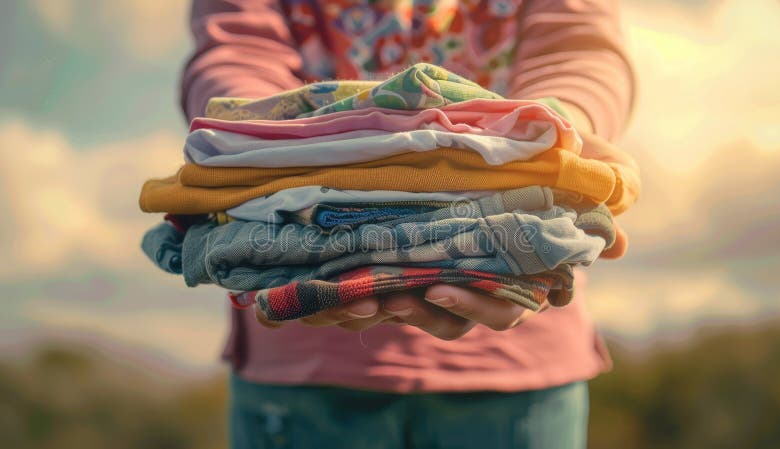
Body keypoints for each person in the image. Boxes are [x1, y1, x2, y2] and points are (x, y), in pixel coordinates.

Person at [181, 1, 635, 447]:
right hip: (304, 362)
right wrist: (254, 140)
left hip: (517, 362)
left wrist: (559, 131)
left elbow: (575, 46)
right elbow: (241, 51)